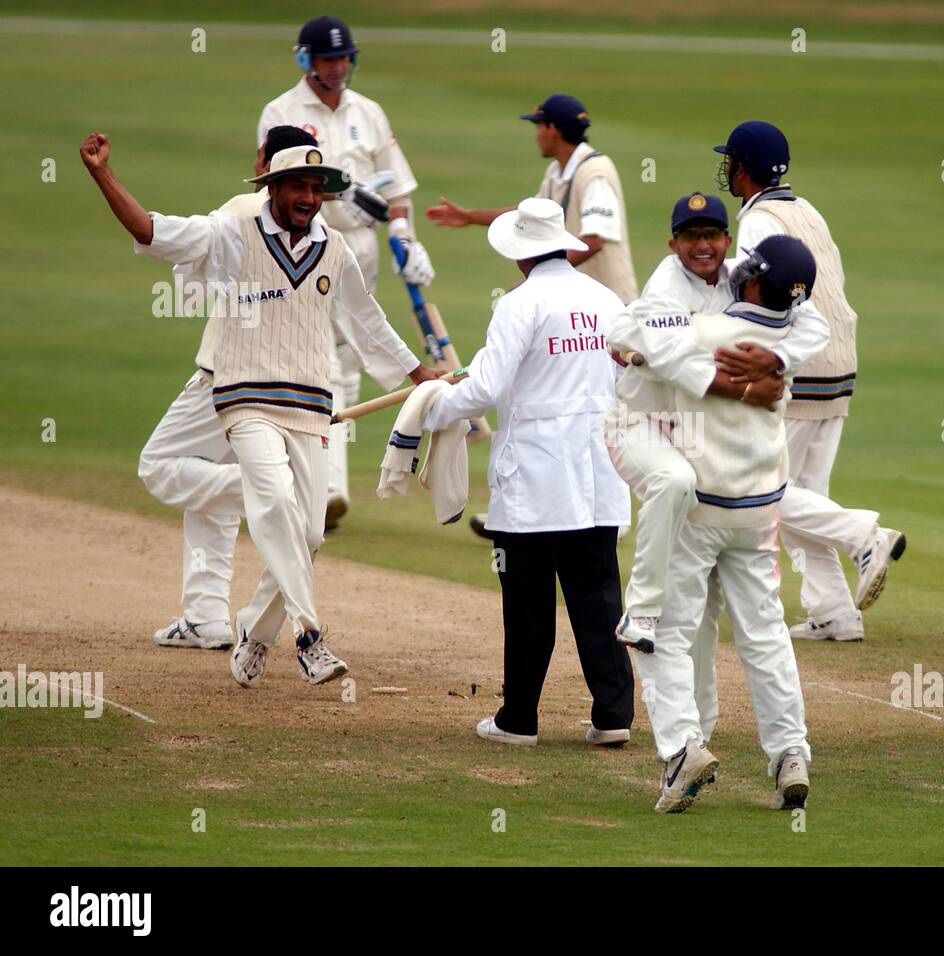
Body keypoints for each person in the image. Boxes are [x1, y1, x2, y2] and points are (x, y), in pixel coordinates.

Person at [81, 131, 436, 687]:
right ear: (271, 185)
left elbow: (368, 323)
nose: (308, 197)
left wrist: (419, 375)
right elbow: (152, 230)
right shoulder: (233, 231)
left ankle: (253, 633)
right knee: (273, 502)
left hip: (309, 405)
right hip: (244, 396)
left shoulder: (334, 249)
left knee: (309, 532)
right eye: (298, 185)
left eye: (316, 188)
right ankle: (310, 637)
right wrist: (102, 174)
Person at [424, 197, 634, 747]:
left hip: (535, 478)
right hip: (598, 470)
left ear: (520, 255)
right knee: (599, 596)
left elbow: (485, 389)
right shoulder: (606, 299)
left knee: (528, 603)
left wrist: (432, 405)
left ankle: (518, 719)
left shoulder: (519, 303)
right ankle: (614, 717)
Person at [627, 235, 819, 813]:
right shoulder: (788, 340)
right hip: (760, 512)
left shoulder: (705, 333)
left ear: (754, 279)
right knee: (765, 634)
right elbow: (817, 322)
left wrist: (637, 350)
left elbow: (627, 335)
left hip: (701, 511)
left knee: (667, 629)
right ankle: (790, 754)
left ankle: (684, 748)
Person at [716, 120, 904, 642]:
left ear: (745, 169)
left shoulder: (757, 222)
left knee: (766, 493)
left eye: (730, 161)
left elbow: (755, 294)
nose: (726, 170)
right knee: (809, 495)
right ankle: (835, 613)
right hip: (839, 359)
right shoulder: (808, 209)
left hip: (798, 364)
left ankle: (866, 535)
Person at [140, 125, 317, 651]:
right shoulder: (318, 223)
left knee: (159, 467)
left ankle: (267, 491)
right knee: (207, 481)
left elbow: (187, 287)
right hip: (293, 382)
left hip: (225, 376)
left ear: (263, 161)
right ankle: (205, 616)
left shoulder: (241, 206)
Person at [258, 15, 435, 531]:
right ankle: (326, 487)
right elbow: (271, 181)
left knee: (343, 363)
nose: (336, 69)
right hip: (306, 244)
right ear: (305, 60)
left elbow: (398, 190)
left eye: (342, 59)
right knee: (326, 363)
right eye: (326, 59)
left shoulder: (369, 113)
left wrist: (404, 234)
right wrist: (338, 193)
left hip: (361, 253)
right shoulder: (281, 111)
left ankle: (317, 481)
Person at [427, 93, 638, 305]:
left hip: (611, 308)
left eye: (539, 127)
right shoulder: (557, 171)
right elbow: (527, 214)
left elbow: (593, 241)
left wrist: (536, 279)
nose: (537, 136)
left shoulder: (595, 172)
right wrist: (470, 216)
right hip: (584, 306)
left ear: (553, 130)